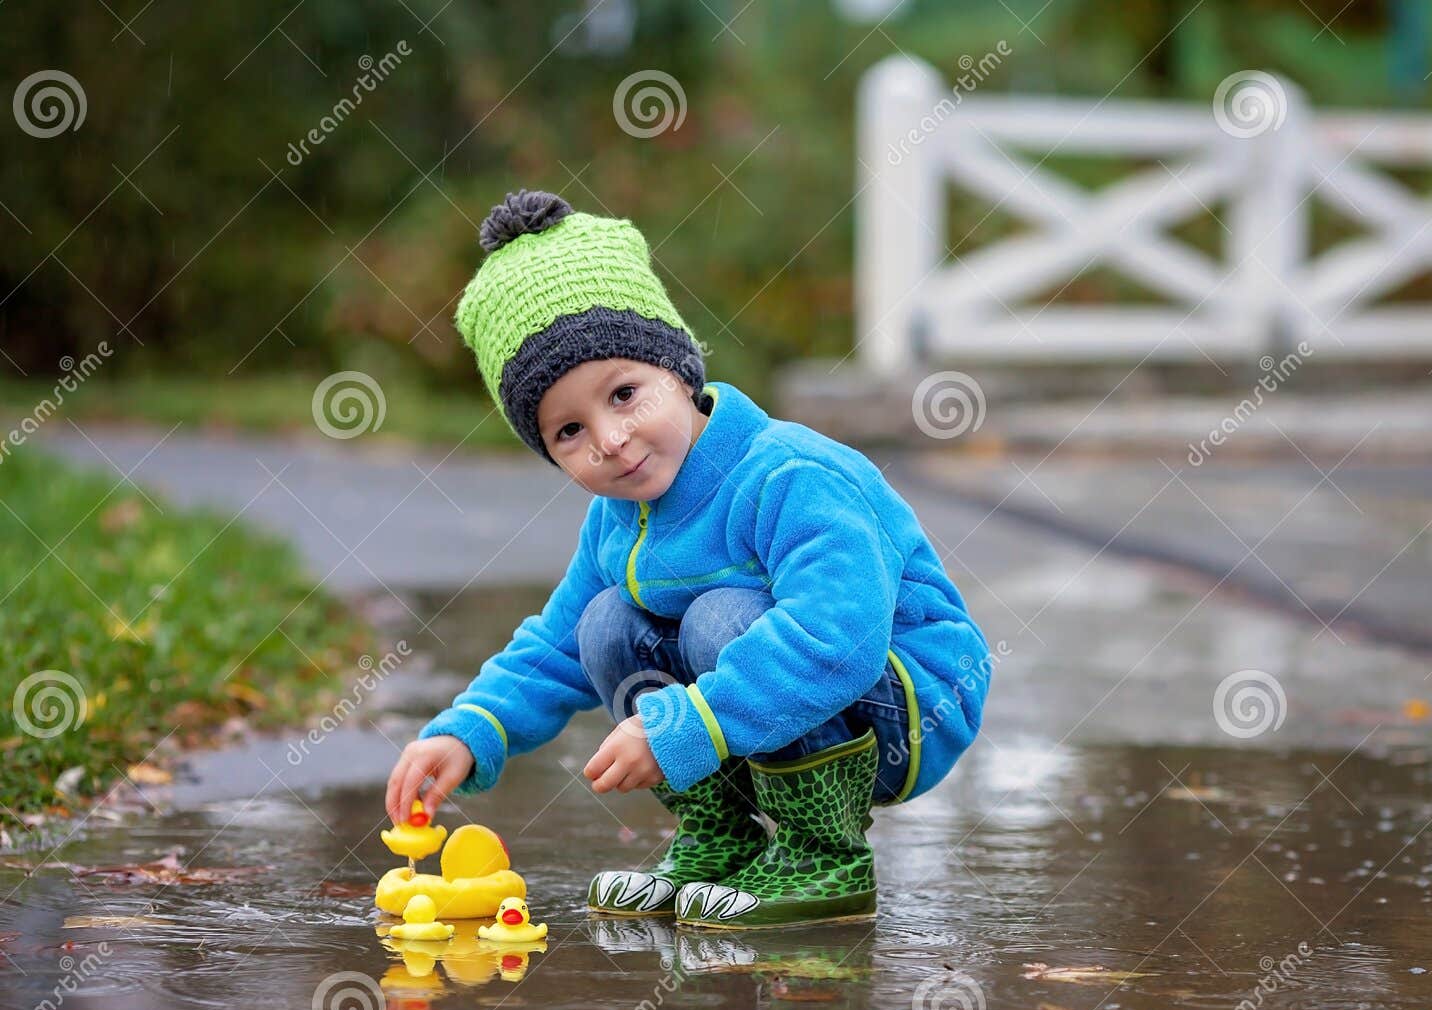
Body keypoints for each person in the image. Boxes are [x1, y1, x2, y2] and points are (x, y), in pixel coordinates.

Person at [384, 189, 991, 929]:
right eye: (569, 429)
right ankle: (721, 837)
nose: (609, 440)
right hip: (765, 702)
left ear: (680, 367)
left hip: (906, 699)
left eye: (625, 393)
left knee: (718, 615)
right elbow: (556, 642)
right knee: (606, 623)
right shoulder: (619, 520)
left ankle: (822, 852)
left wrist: (685, 723)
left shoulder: (787, 475)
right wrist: (469, 727)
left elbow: (842, 631)